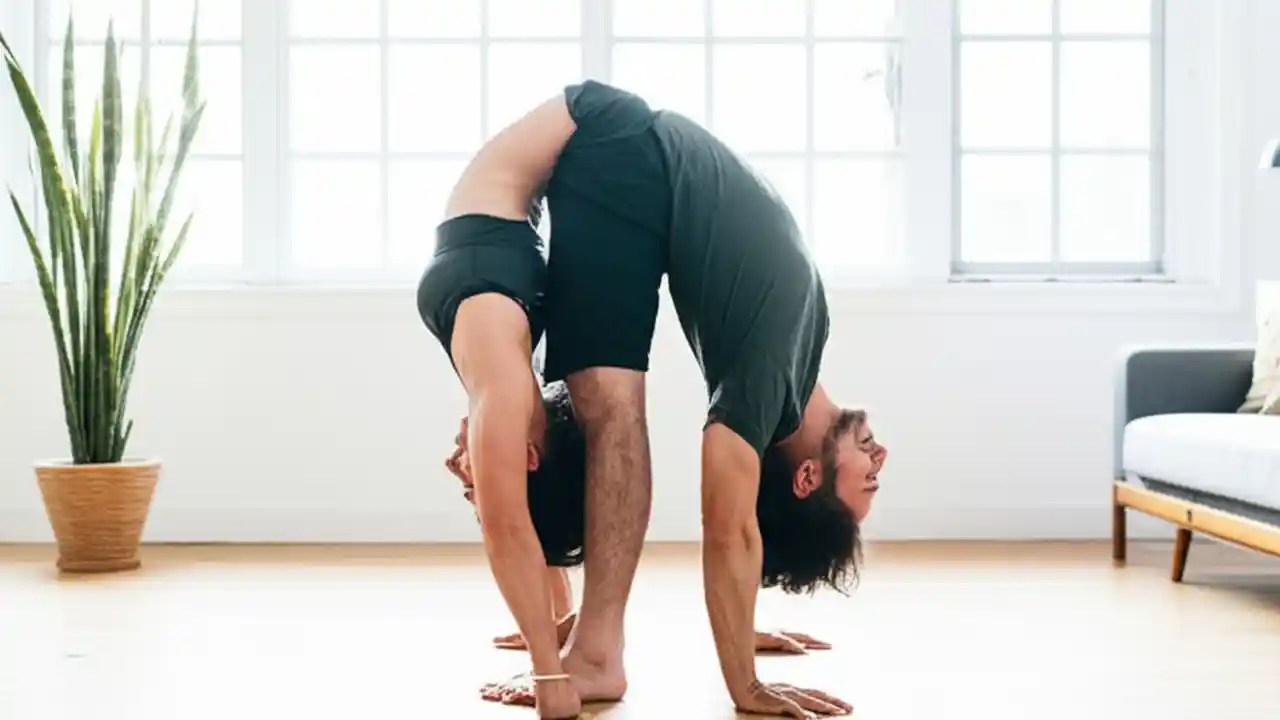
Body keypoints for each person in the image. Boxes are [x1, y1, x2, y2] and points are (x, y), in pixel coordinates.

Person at [420, 80, 889, 718]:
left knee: (606, 407)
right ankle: (580, 627)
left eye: (868, 481)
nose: (879, 456)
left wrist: (744, 682)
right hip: (636, 153)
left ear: (808, 477)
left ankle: (592, 650)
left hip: (625, 153)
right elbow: (739, 528)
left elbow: (730, 527)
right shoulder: (792, 364)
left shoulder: (757, 390)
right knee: (572, 410)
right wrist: (738, 625)